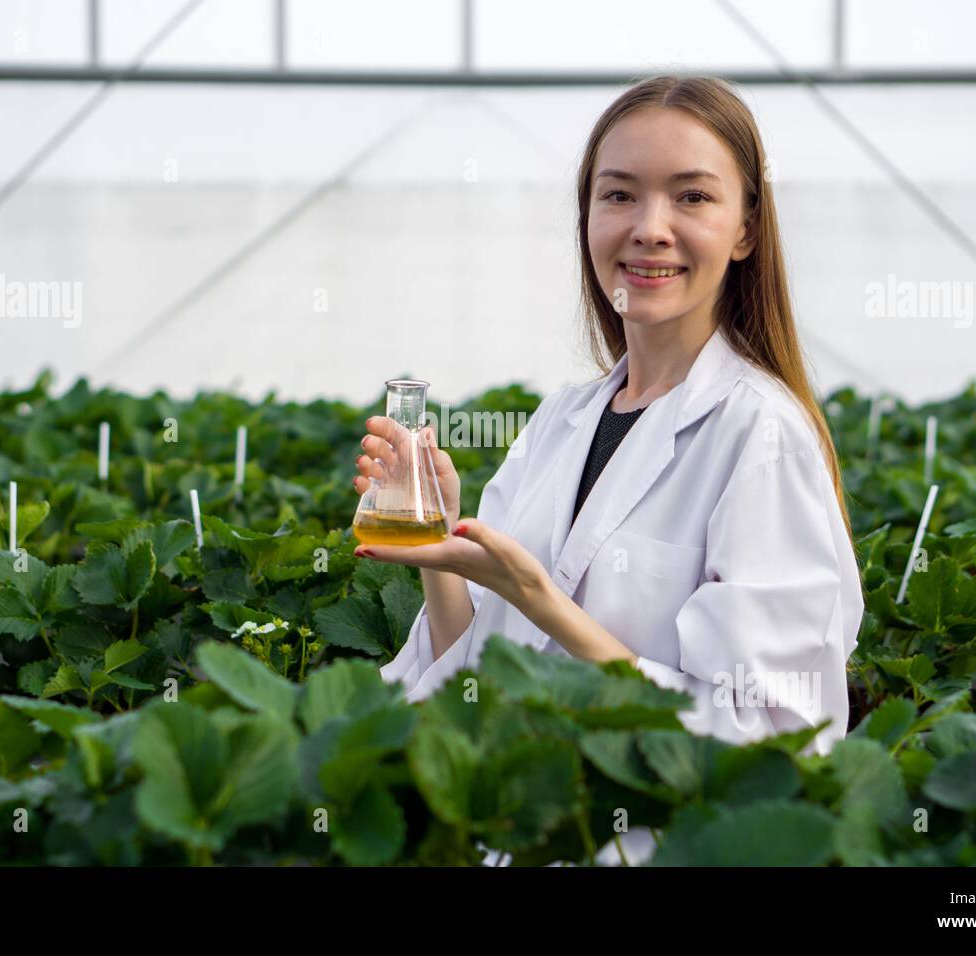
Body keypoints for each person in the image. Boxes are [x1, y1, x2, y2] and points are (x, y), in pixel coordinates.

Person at [351, 74, 865, 766]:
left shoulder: (760, 436)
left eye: (692, 196)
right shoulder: (562, 421)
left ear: (746, 228)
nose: (650, 229)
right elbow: (467, 677)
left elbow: (778, 738)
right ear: (587, 217)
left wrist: (541, 599)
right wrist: (439, 549)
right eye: (619, 194)